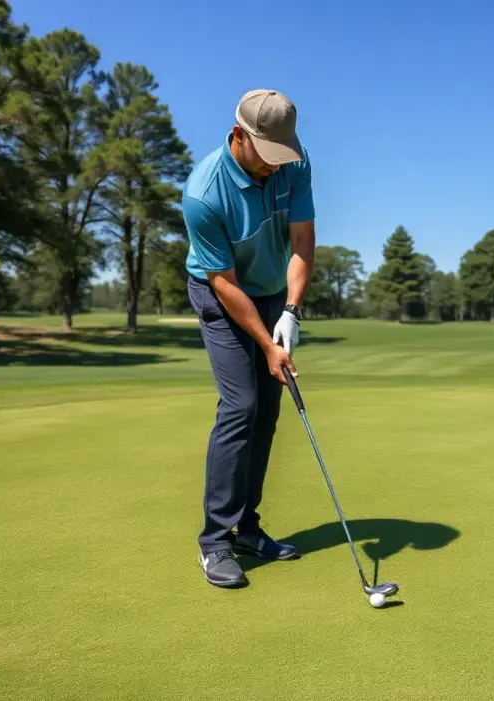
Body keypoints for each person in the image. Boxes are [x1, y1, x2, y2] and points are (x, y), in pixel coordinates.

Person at [181, 89, 315, 588]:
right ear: (239, 137)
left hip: (270, 290)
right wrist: (266, 344)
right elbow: (224, 283)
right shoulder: (203, 194)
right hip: (222, 293)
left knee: (268, 411)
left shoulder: (292, 164)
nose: (276, 168)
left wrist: (291, 313)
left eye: (284, 157)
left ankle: (247, 529)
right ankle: (215, 541)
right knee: (241, 406)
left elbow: (302, 241)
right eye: (268, 158)